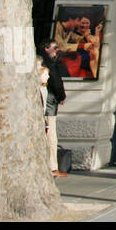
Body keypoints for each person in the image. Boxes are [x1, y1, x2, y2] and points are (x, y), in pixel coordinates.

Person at [39, 40, 66, 176]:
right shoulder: (48, 63)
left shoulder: (42, 61)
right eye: (54, 48)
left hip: (44, 102)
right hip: (48, 103)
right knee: (51, 134)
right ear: (46, 49)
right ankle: (52, 167)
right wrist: (61, 96)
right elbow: (55, 80)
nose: (57, 51)